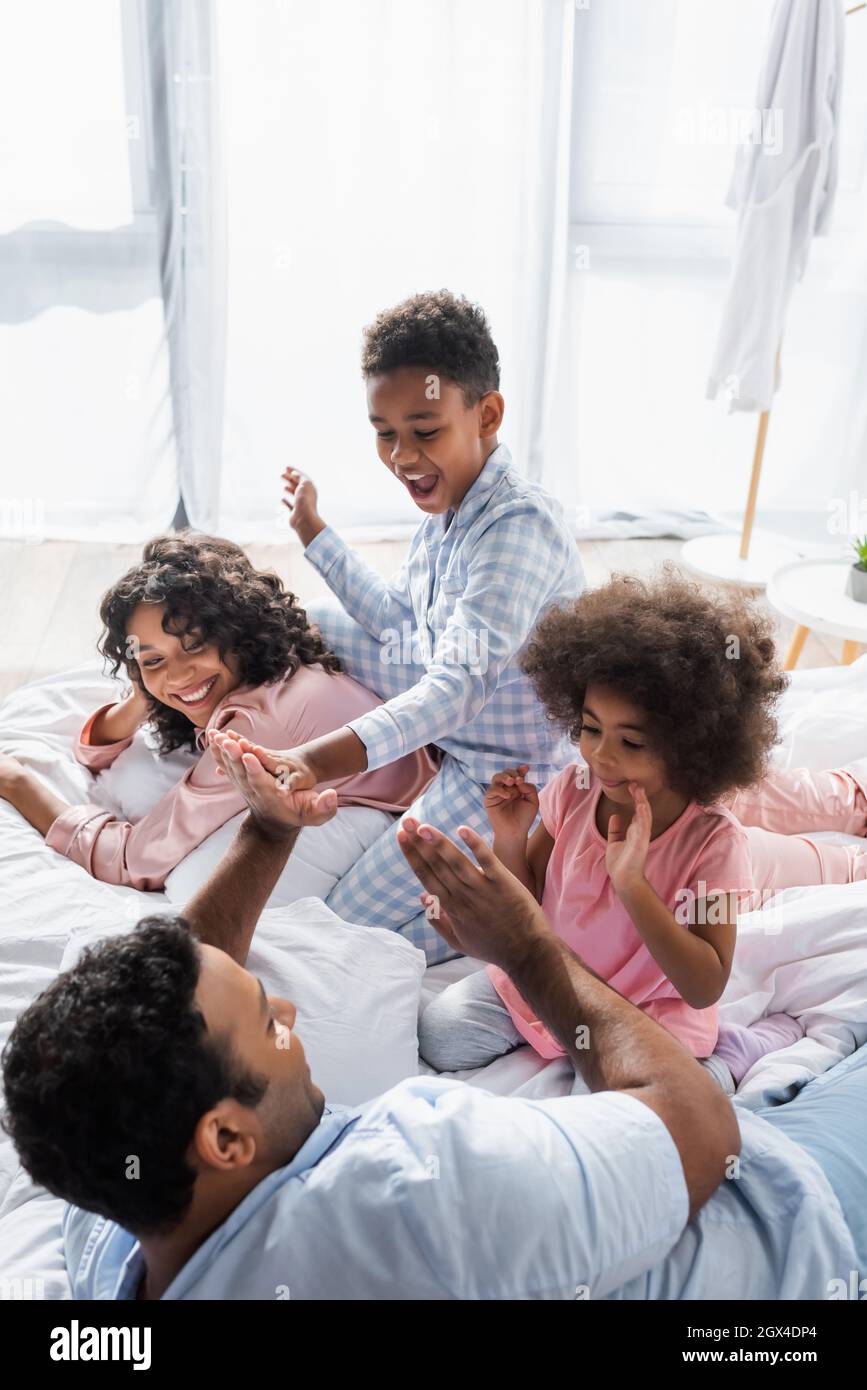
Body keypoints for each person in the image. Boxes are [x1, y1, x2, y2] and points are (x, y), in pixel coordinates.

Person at [1, 730, 861, 1300]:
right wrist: (525, 948)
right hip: (788, 1220)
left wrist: (267, 834)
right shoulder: (417, 1192)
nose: (289, 1009)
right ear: (227, 1140)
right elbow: (699, 1129)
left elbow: (171, 995)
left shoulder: (115, 1210)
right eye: (269, 1026)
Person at [273, 289, 585, 960]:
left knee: (342, 925)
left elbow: (455, 690)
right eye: (384, 432)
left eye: (424, 430)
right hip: (449, 709)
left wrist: (314, 761)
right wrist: (314, 532)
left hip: (501, 772)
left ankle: (523, 904)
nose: (400, 455)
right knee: (312, 625)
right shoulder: (447, 510)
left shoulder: (516, 527)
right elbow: (399, 626)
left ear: (487, 414)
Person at [419, 570, 806, 1087]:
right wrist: (509, 837)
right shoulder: (575, 790)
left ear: (692, 745)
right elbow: (528, 901)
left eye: (631, 743)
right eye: (591, 728)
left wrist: (633, 887)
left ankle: (740, 1049)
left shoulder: (714, 843)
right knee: (441, 1035)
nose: (601, 755)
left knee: (630, 1104)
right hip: (555, 984)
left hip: (647, 1012)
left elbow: (704, 984)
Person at [0, 532, 433, 890]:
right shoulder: (275, 662)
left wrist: (17, 782)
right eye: (153, 660)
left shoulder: (255, 727)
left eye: (195, 645)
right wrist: (143, 697)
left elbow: (136, 860)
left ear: (234, 630)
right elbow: (89, 752)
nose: (179, 674)